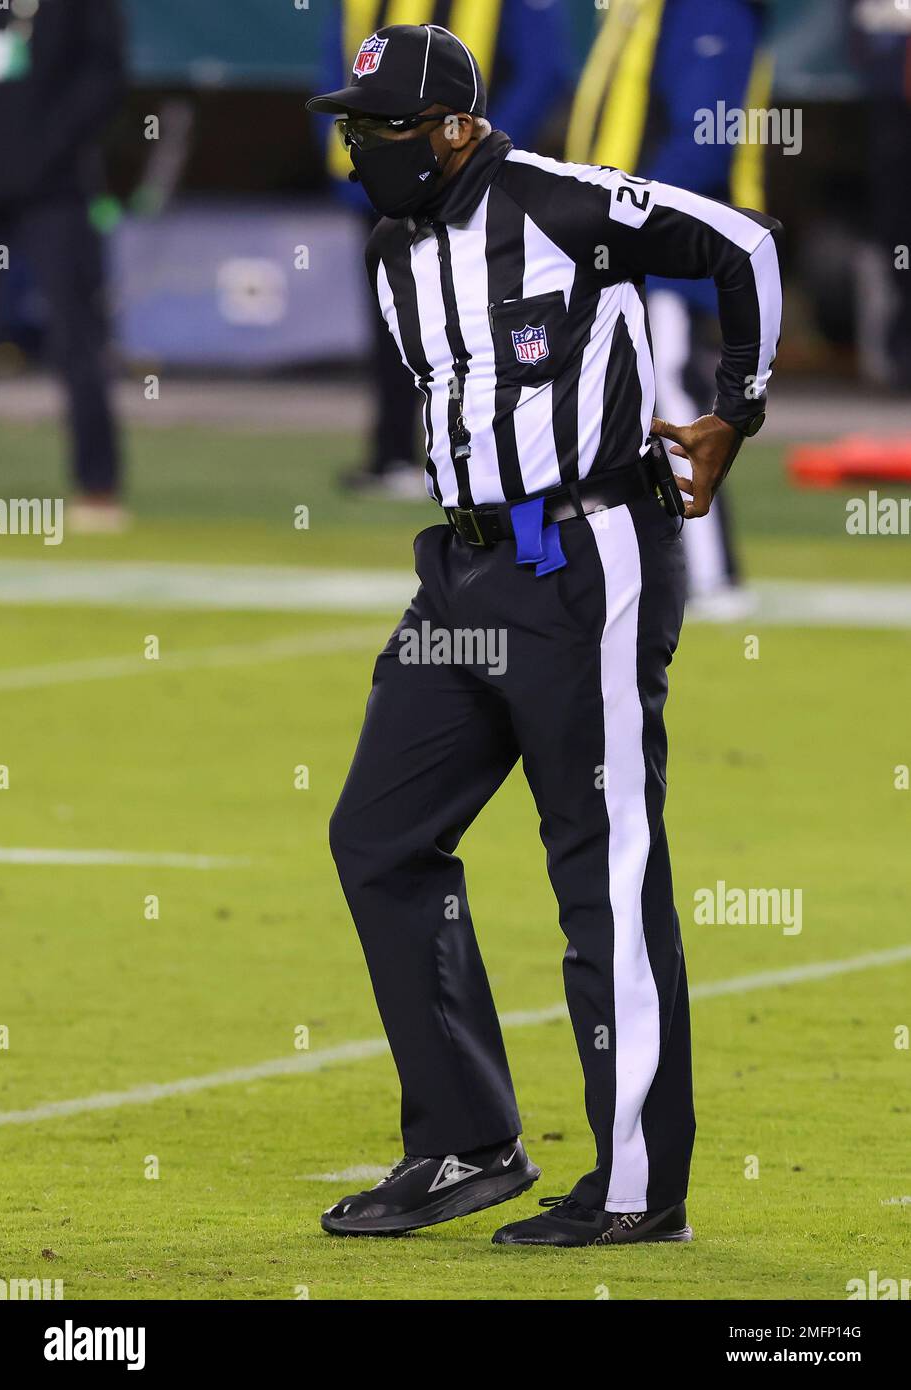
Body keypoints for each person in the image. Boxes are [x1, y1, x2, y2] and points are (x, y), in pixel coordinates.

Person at [308, 23, 781, 1246]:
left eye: (382, 130)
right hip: (461, 570)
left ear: (456, 128)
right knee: (378, 833)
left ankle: (636, 1187)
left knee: (603, 868)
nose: (360, 151)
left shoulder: (564, 203)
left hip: (588, 559)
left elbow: (739, 240)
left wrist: (736, 407)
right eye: (351, 128)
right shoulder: (393, 246)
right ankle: (466, 1140)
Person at [566, 0, 774, 616]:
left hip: (668, 246)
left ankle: (711, 573)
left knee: (674, 393)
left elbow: (702, 138)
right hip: (631, 241)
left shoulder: (710, 11)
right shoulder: (644, 10)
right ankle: (627, 561)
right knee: (620, 401)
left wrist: (611, 218)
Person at [316, 0, 572, 497]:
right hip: (386, 176)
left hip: (478, 182)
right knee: (398, 321)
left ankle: (500, 456)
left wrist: (476, 152)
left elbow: (543, 71)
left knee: (490, 318)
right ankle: (394, 453)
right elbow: (337, 65)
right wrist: (353, 158)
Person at [0, 0, 126, 531]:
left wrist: (37, 152)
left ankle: (98, 486)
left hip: (56, 188)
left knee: (77, 336)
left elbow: (104, 77)